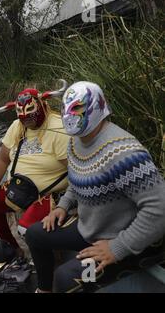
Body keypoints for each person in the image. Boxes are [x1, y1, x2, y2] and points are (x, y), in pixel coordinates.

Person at [25, 81, 165, 293]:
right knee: (34, 234)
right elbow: (76, 179)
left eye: (77, 109)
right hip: (91, 228)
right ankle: (43, 290)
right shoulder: (75, 141)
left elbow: (159, 208)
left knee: (66, 278)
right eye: (66, 109)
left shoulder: (124, 153)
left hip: (131, 242)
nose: (70, 116)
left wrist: (118, 248)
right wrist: (63, 206)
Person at [0, 87, 70, 256]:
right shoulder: (18, 126)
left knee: (27, 230)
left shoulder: (59, 129)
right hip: (18, 189)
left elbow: (75, 172)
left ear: (42, 106)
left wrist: (66, 203)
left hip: (47, 196)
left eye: (30, 115)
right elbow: (2, 159)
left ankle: (48, 264)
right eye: (22, 117)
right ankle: (13, 248)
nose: (26, 121)